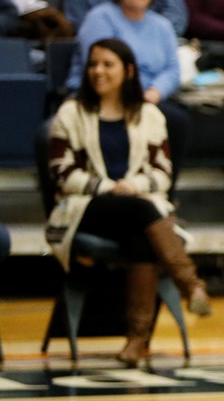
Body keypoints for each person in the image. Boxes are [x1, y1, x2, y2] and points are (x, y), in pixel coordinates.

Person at [46, 37, 210, 369]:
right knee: (141, 210)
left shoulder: (149, 115)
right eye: (93, 64)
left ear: (129, 71)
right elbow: (62, 172)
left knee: (141, 236)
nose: (98, 71)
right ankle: (190, 282)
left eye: (108, 64)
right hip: (85, 208)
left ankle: (137, 339)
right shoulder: (71, 112)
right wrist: (110, 187)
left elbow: (162, 172)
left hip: (136, 209)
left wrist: (133, 185)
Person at [68, 0, 183, 103]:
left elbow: (172, 69)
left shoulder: (162, 25)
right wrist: (135, 98)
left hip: (149, 99)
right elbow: (100, 68)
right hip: (102, 98)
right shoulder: (100, 18)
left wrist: (155, 92)